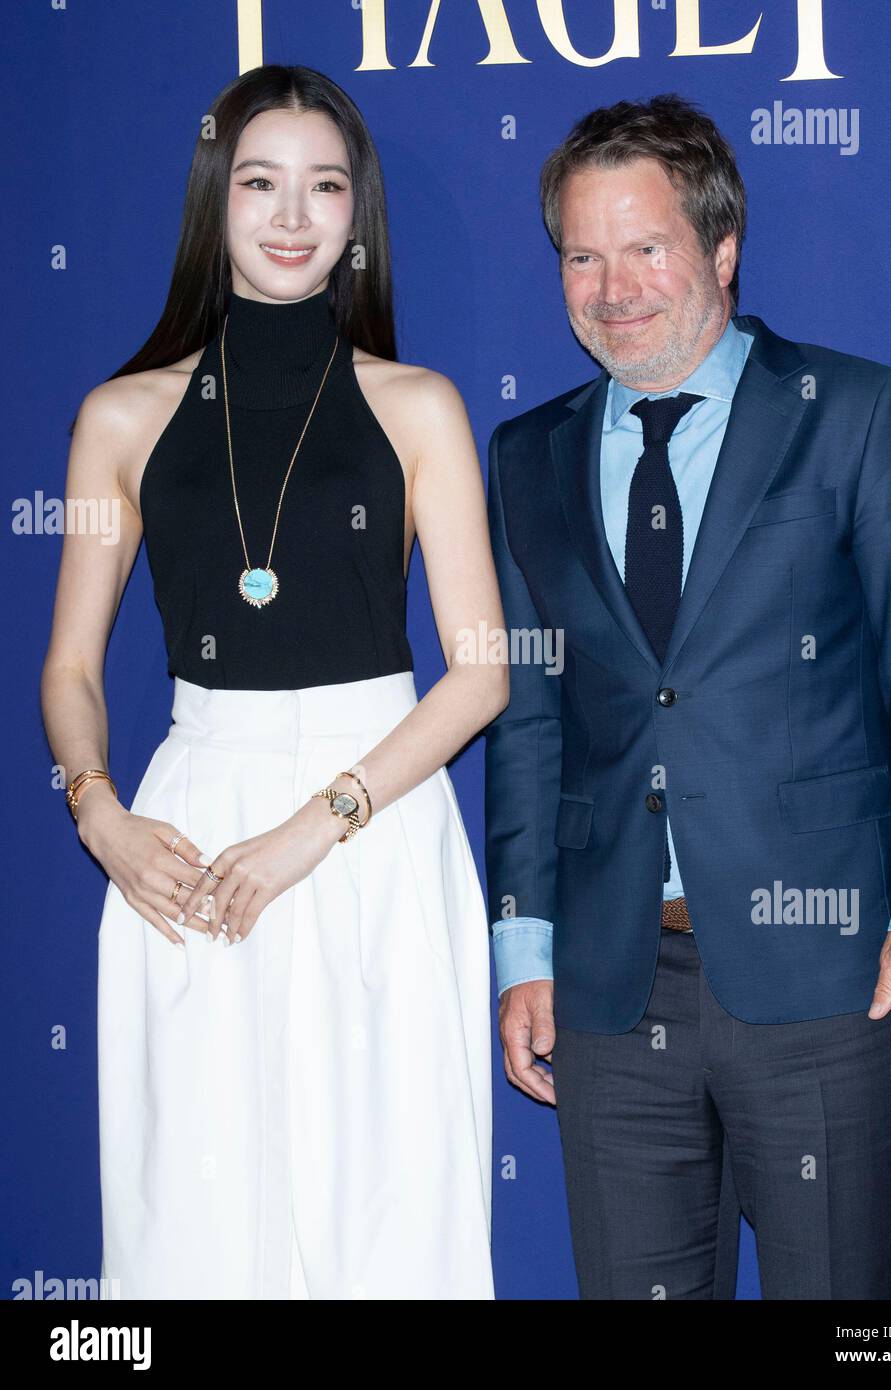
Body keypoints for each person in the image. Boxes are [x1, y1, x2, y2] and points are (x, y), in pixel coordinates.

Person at [484, 94, 891, 1300]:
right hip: (610, 989)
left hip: (828, 975)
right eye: (582, 256)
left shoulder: (858, 413)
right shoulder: (527, 455)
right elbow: (530, 721)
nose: (613, 289)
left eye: (645, 248)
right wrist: (524, 947)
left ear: (720, 248)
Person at [40, 64, 506, 1300]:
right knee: (190, 1218)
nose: (291, 215)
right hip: (181, 831)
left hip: (377, 818)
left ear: (360, 217)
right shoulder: (119, 419)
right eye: (260, 182)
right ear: (216, 199)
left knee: (396, 1215)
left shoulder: (422, 408)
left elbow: (482, 674)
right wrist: (100, 814)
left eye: (323, 186)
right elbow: (71, 667)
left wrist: (319, 824)